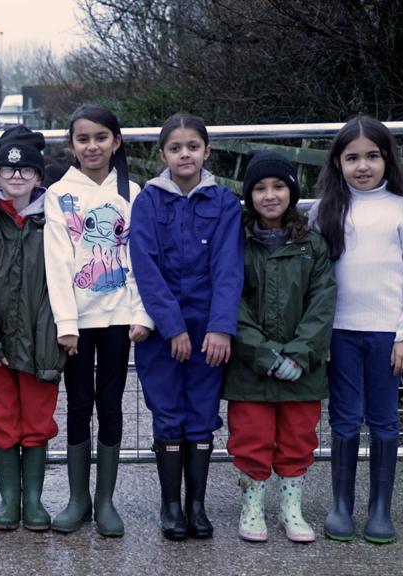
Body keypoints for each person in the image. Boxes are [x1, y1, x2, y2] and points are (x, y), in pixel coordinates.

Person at [310, 116, 403, 544]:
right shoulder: (325, 210)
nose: (363, 166)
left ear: (387, 159)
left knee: (383, 419)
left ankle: (380, 509)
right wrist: (317, 335)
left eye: (372, 156)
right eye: (352, 157)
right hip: (339, 332)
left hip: (386, 336)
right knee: (343, 418)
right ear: (337, 162)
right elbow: (315, 275)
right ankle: (341, 504)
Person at [129, 112, 243, 541]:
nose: (185, 154)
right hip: (163, 330)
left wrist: (220, 328)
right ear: (163, 154)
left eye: (192, 147)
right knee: (168, 413)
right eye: (175, 148)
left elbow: (229, 268)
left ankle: (197, 505)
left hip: (209, 329)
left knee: (200, 413)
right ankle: (170, 504)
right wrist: (171, 326)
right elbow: (146, 267)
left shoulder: (225, 203)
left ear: (207, 151)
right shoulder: (148, 202)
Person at [43, 105, 152, 535]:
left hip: (119, 318)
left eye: (101, 137)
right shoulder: (58, 193)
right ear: (71, 145)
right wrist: (65, 323)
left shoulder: (133, 192)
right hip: (77, 321)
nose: (92, 146)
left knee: (110, 404)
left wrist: (142, 313)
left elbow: (139, 257)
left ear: (116, 142)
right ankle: (77, 499)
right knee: (78, 404)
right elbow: (57, 259)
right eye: (83, 139)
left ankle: (106, 500)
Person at [224, 151, 335, 543]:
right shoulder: (236, 243)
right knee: (251, 436)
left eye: (278, 187)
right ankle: (252, 504)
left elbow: (323, 302)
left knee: (298, 437)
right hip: (250, 367)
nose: (269, 195)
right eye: (259, 188)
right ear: (249, 195)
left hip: (301, 368)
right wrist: (265, 354)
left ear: (292, 191)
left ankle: (291, 506)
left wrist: (299, 353)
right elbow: (229, 301)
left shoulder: (313, 246)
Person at [0, 125, 66, 531]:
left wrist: (59, 334)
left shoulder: (54, 222)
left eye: (25, 171)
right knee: (1, 418)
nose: (17, 177)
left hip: (43, 339)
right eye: (7, 169)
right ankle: (9, 499)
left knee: (38, 419)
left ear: (39, 177)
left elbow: (64, 279)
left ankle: (35, 499)